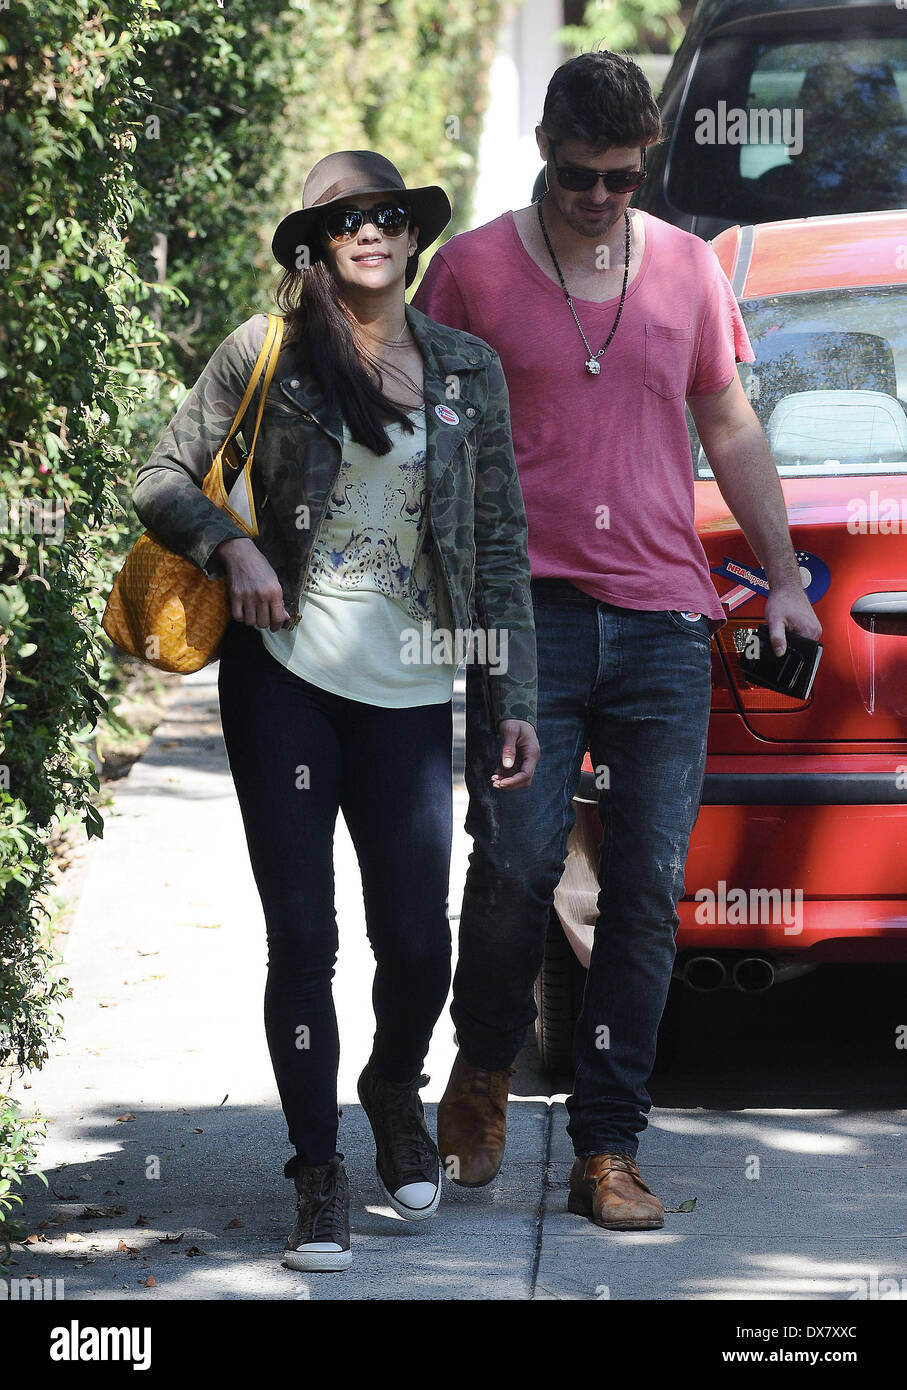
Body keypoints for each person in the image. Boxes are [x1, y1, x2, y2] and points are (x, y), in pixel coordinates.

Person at [412, 52, 821, 1230]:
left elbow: (730, 422)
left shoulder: (689, 266)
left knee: (643, 889)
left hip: (661, 620)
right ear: (544, 146)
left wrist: (784, 577)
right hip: (523, 619)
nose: (599, 197)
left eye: (622, 178)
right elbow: (436, 450)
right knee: (517, 866)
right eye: (579, 175)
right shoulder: (473, 274)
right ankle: (484, 1063)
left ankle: (606, 1146)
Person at [131, 150, 539, 1270]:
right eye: (346, 219)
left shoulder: (466, 370)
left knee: (416, 942)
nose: (371, 232)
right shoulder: (266, 356)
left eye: (389, 216)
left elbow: (499, 542)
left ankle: (391, 1088)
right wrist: (231, 543)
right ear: (316, 244)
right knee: (302, 937)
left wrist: (512, 696)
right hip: (284, 685)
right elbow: (161, 475)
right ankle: (318, 1169)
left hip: (411, 693)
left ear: (412, 237)